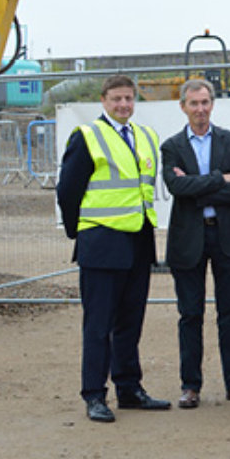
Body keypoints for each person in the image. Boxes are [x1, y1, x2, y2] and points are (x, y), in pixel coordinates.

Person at [55, 74, 171, 423]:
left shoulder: (146, 136)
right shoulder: (87, 136)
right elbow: (68, 191)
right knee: (99, 325)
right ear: (103, 100)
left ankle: (129, 389)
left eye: (128, 99)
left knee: (130, 323)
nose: (123, 105)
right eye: (116, 99)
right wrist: (82, 232)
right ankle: (94, 394)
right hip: (101, 243)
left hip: (138, 242)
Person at [162, 79, 230, 409]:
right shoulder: (172, 146)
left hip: (227, 236)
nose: (200, 109)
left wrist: (197, 186)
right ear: (183, 106)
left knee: (229, 313)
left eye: (205, 103)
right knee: (190, 314)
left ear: (212, 105)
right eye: (194, 104)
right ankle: (190, 385)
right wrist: (221, 178)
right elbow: (176, 187)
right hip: (189, 238)